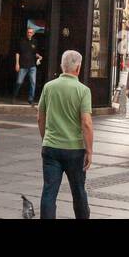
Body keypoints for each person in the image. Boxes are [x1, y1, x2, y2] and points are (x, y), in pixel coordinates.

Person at [37, 49, 93, 219]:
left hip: (51, 147)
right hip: (74, 149)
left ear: (62, 66)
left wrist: (45, 138)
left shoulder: (49, 87)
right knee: (78, 191)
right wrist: (89, 150)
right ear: (78, 68)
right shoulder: (83, 90)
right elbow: (86, 123)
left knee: (49, 191)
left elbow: (40, 117)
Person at [13, 27, 43, 105]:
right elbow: (17, 53)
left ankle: (30, 99)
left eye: (31, 32)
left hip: (32, 65)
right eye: (28, 32)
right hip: (23, 65)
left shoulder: (35, 42)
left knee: (33, 82)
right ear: (26, 33)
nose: (29, 34)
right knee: (19, 82)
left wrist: (39, 56)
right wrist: (17, 63)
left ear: (33, 34)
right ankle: (14, 96)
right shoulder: (22, 41)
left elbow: (34, 53)